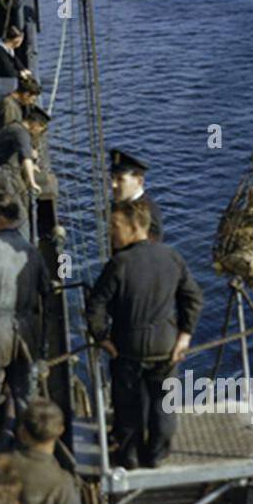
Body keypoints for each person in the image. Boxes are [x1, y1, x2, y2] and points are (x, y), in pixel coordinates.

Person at [86, 199, 203, 469]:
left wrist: (102, 336)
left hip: (128, 347)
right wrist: (185, 335)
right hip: (166, 346)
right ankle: (157, 455)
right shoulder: (172, 257)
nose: (110, 231)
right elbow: (193, 297)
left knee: (127, 407)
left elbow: (96, 304)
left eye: (115, 225)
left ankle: (129, 457)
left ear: (135, 226)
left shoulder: (120, 263)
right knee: (164, 405)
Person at [0, 198, 52, 434]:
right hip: (27, 327)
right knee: (24, 389)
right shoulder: (31, 251)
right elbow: (46, 290)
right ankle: (24, 438)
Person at [0, 106, 51, 228]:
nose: (39, 133)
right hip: (4, 175)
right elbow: (26, 157)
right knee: (12, 208)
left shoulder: (13, 126)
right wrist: (32, 181)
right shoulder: (21, 133)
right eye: (40, 129)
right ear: (34, 124)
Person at [109, 148, 163, 241]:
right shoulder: (118, 204)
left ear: (139, 181)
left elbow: (148, 253)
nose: (113, 184)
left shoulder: (150, 214)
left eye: (120, 179)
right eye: (112, 178)